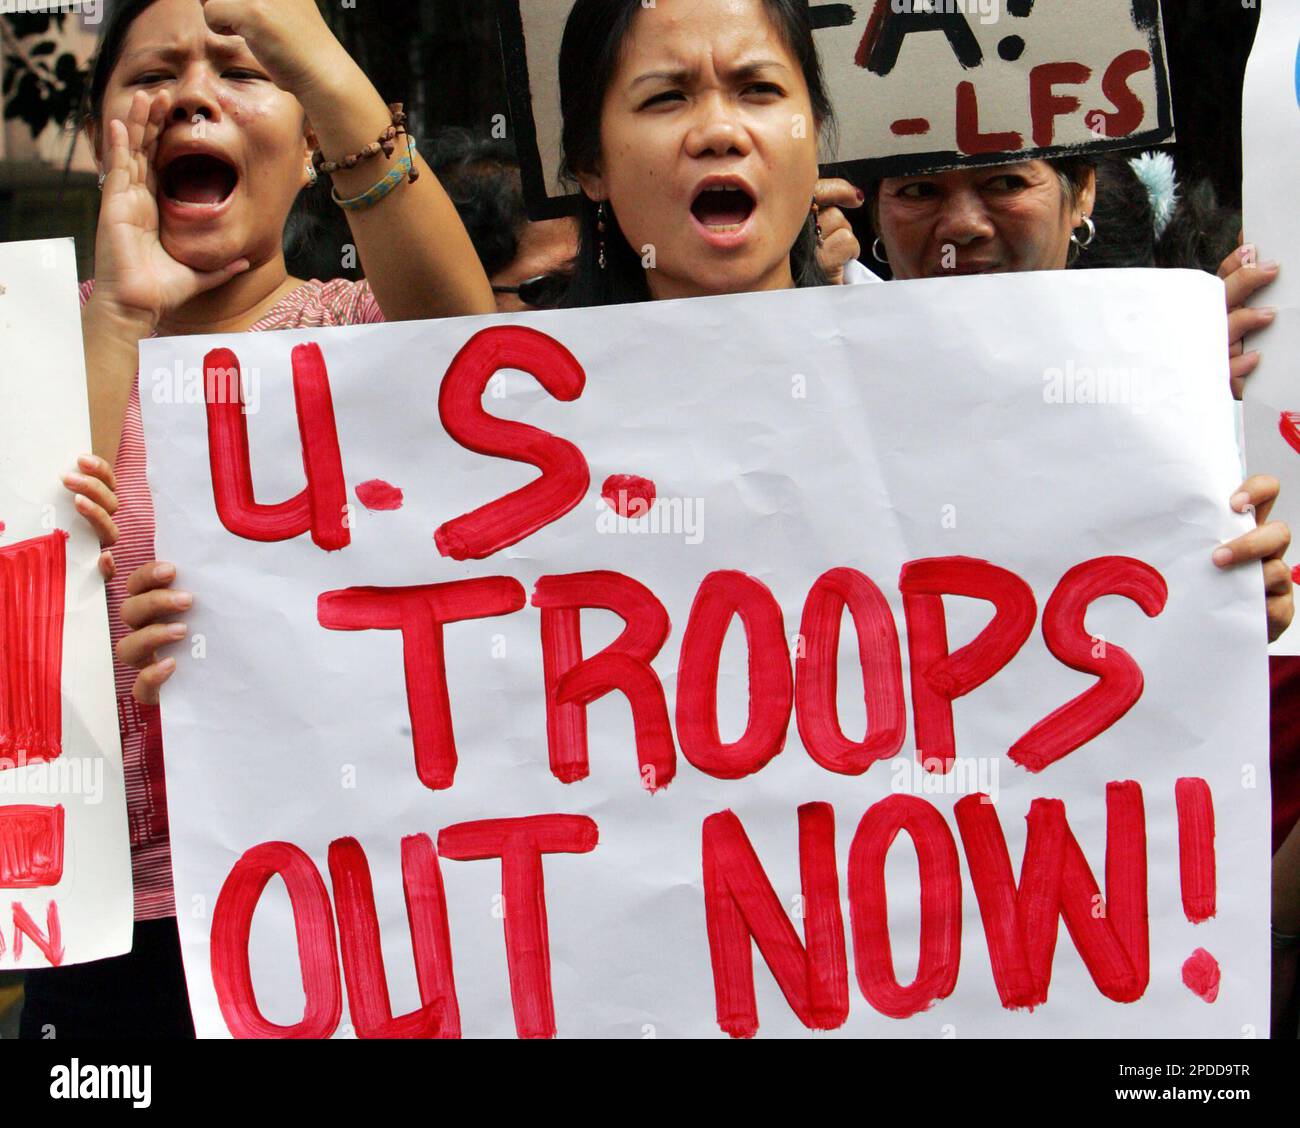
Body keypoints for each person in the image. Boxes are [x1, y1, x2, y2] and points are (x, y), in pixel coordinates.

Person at [19, 0, 496, 1040]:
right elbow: (15, 625)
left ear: (309, 132)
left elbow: (474, 363)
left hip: (366, 918)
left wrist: (324, 65)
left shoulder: (366, 332)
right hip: (114, 949)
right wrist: (117, 321)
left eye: (244, 71)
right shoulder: (30, 353)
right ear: (103, 129)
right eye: (153, 76)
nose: (193, 94)